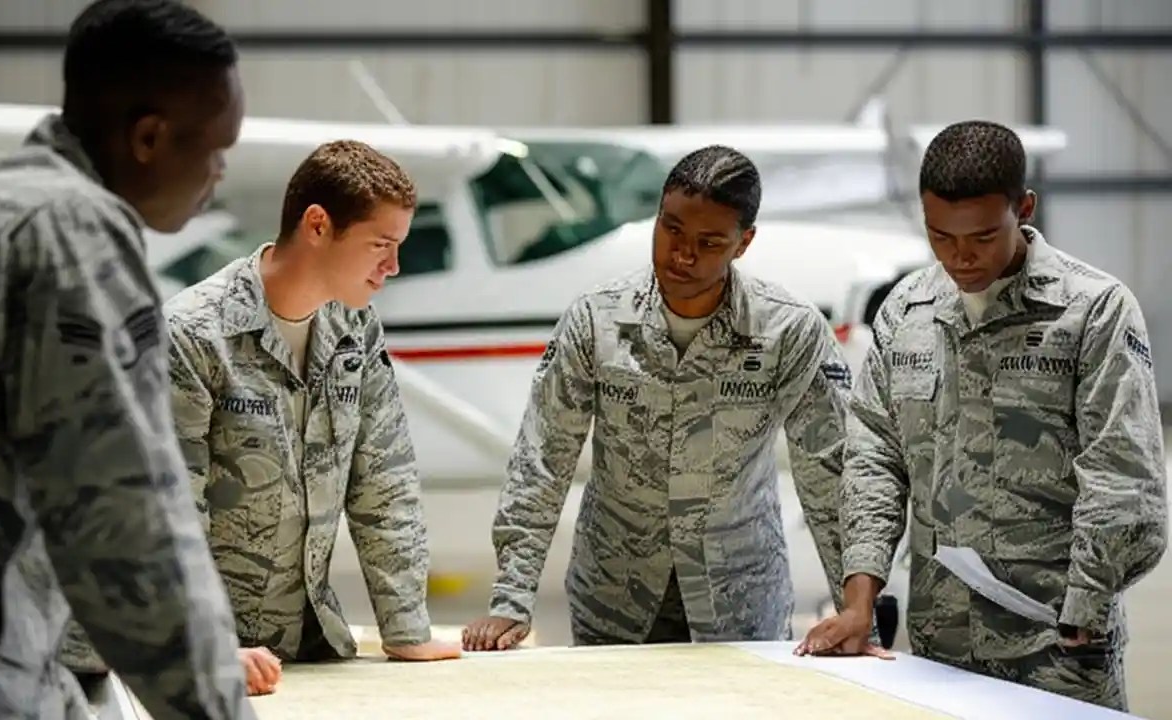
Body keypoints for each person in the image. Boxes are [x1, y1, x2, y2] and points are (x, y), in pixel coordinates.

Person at [0, 0, 254, 718]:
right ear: (148, 137)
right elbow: (125, 526)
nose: (217, 175)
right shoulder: (75, 231)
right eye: (216, 149)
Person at [798, 119, 1167, 712]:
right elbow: (874, 458)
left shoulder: (1091, 312)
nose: (960, 258)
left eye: (981, 237)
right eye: (940, 236)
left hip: (1061, 650)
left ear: (1023, 208)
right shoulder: (908, 311)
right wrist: (859, 598)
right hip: (939, 648)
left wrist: (1083, 611)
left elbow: (1123, 476)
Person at [463, 145, 857, 651]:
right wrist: (511, 600)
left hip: (740, 607)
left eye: (709, 241)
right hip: (616, 603)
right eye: (671, 229)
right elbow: (542, 458)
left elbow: (832, 474)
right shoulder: (595, 321)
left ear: (744, 243)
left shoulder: (789, 331)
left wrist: (856, 610)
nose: (683, 254)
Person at [159, 139, 460, 693]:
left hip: (310, 646)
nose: (393, 267)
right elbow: (169, 510)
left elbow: (384, 484)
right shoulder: (192, 334)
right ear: (318, 225)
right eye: (380, 245)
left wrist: (406, 628)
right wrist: (204, 645)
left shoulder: (356, 332)